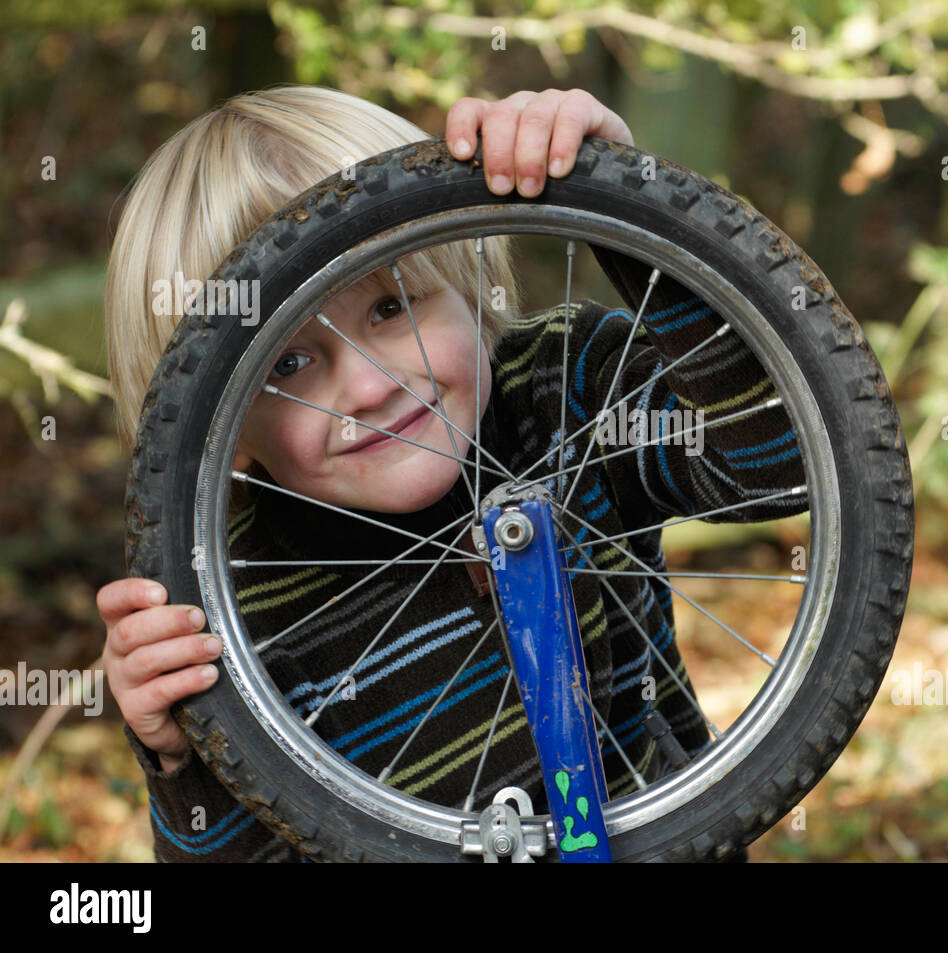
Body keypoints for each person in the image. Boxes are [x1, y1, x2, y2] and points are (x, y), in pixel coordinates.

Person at [96, 85, 805, 861]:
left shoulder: (561, 392)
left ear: (467, 272)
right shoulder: (233, 610)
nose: (370, 385)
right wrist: (182, 756)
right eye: (290, 362)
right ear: (217, 428)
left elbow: (778, 463)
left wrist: (632, 213)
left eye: (393, 307)